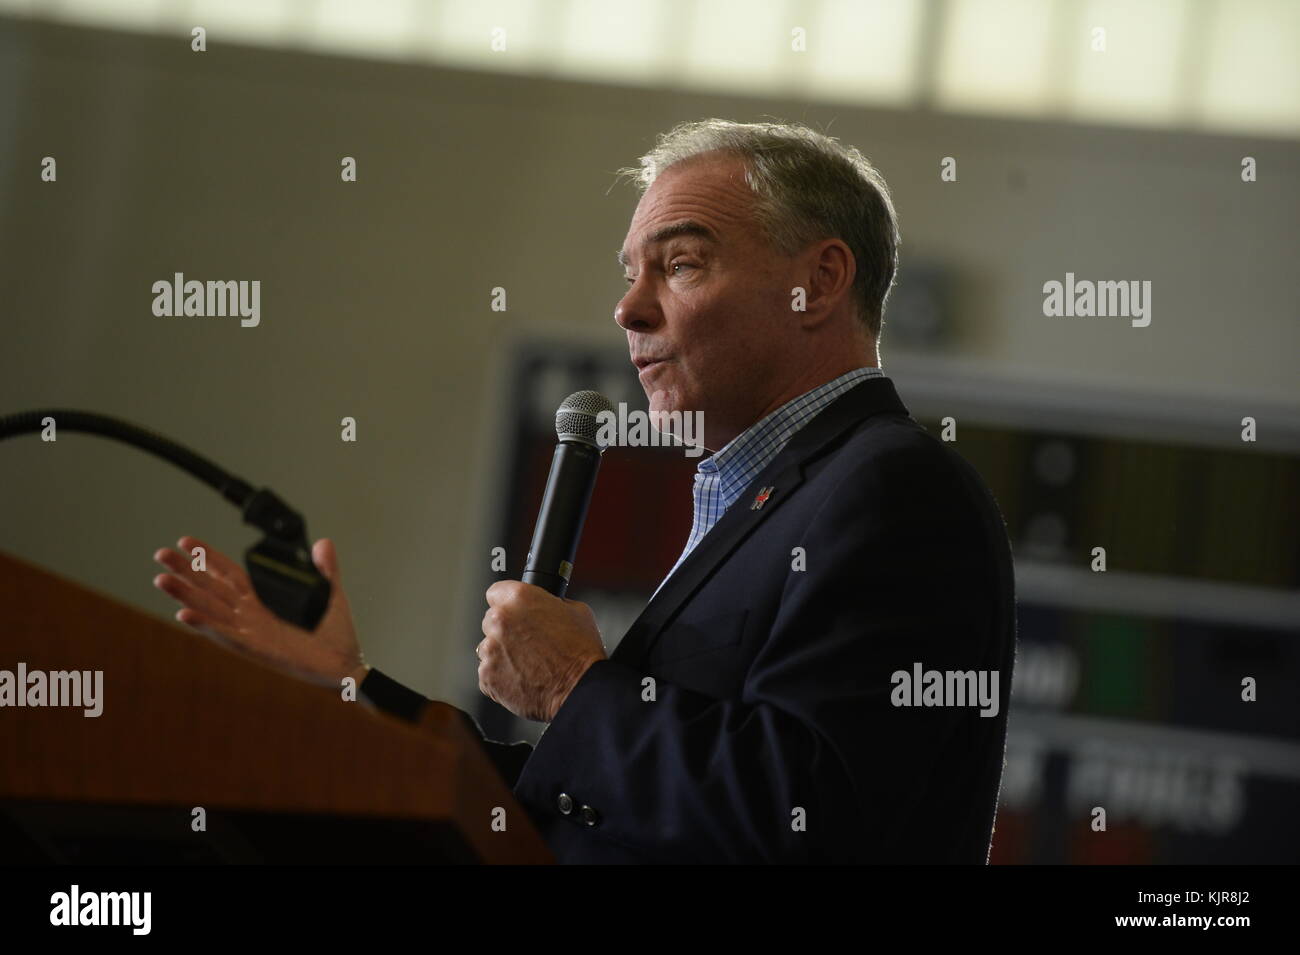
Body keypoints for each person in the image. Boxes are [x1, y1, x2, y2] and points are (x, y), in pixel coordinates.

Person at [153, 119, 1016, 864]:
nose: (628, 308)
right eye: (630, 272)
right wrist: (352, 686)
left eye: (679, 263)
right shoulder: (768, 499)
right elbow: (581, 808)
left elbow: (813, 817)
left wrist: (574, 685)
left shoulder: (893, 489)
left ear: (819, 283)